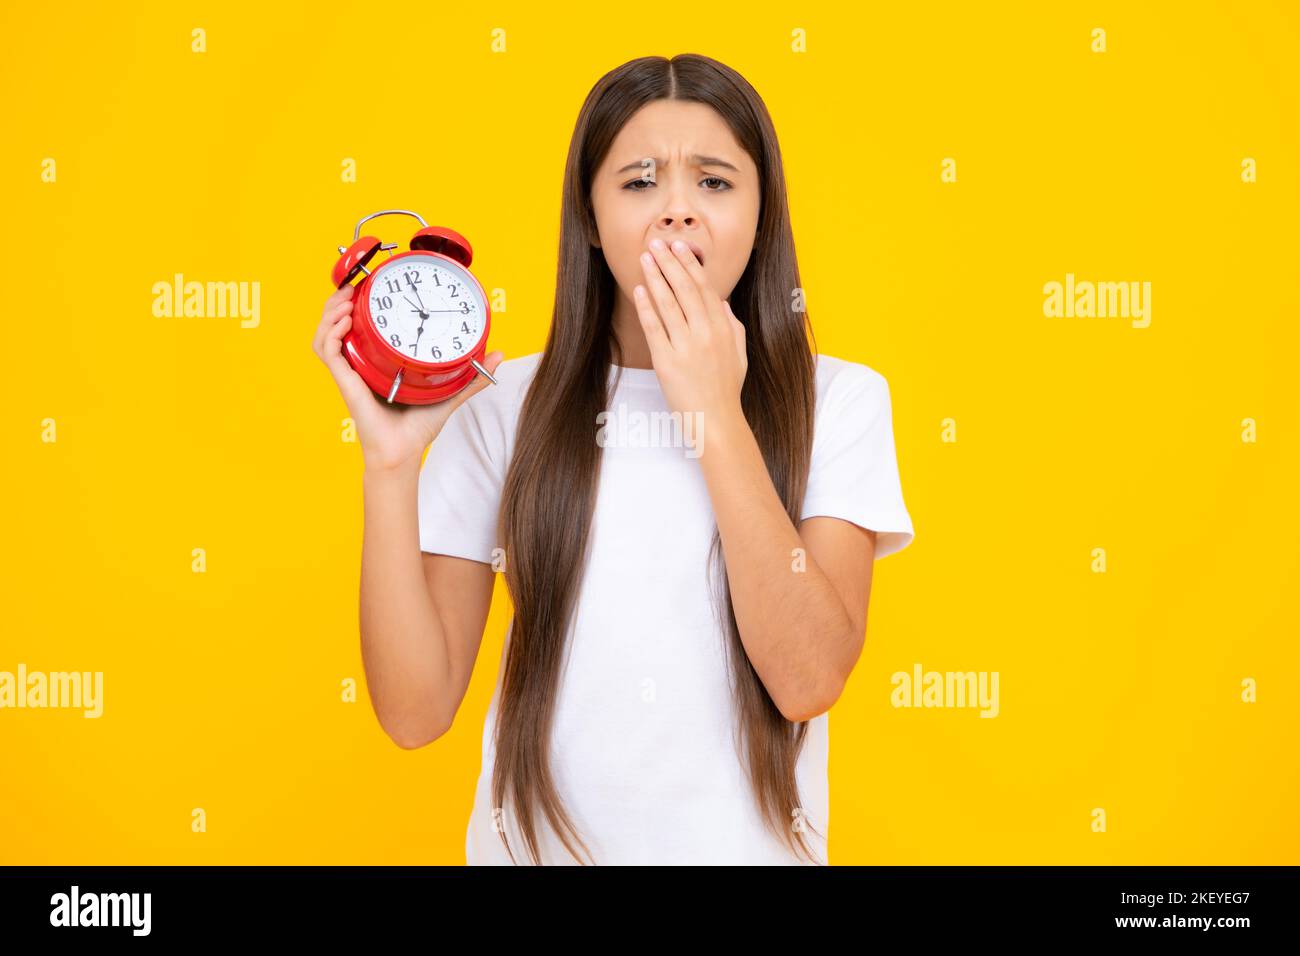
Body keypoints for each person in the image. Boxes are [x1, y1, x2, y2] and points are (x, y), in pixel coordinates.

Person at [311, 53, 915, 866]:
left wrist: (711, 409)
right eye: (637, 183)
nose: (676, 212)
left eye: (714, 182)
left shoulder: (840, 399)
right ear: (590, 221)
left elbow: (807, 678)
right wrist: (388, 468)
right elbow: (414, 713)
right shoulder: (499, 404)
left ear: (763, 214)